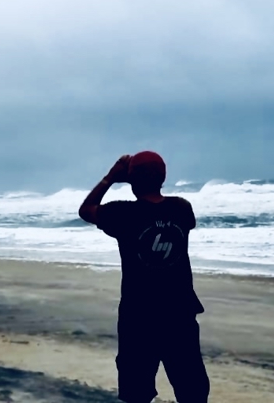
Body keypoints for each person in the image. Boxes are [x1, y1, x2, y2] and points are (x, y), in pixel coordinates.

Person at [78, 151, 209, 403]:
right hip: (179, 315)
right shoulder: (181, 208)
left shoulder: (122, 214)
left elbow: (86, 210)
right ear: (163, 176)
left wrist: (109, 178)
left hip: (138, 317)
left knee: (136, 393)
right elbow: (184, 222)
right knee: (192, 391)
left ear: (131, 181)